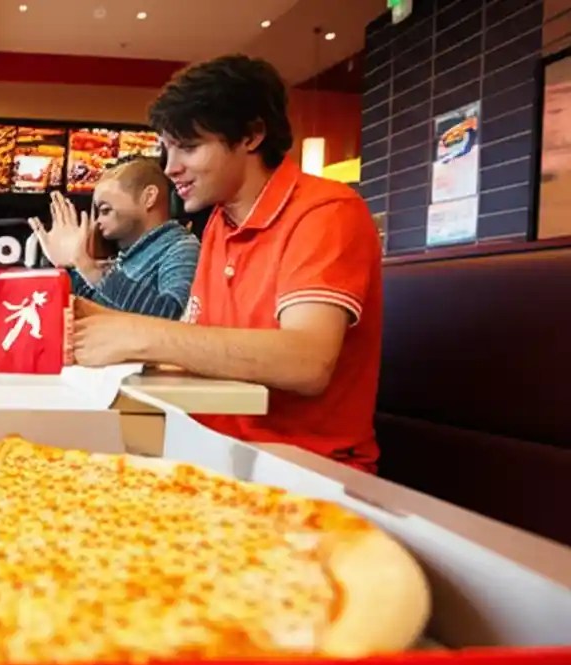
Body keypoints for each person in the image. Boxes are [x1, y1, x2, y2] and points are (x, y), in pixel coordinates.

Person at [71, 54, 384, 472]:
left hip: (303, 468)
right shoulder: (221, 221)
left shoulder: (327, 212)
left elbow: (307, 362)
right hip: (214, 453)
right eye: (167, 148)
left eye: (189, 147)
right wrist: (95, 318)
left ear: (252, 135)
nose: (170, 168)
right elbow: (198, 345)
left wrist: (138, 333)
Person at [28, 156, 199, 319]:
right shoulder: (126, 255)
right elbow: (93, 304)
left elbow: (175, 317)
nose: (98, 221)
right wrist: (68, 266)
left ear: (148, 198)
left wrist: (90, 269)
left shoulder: (182, 247)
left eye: (105, 210)